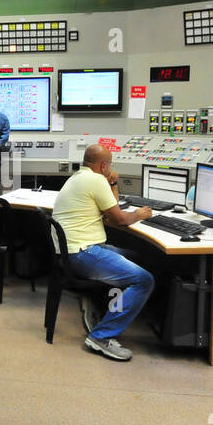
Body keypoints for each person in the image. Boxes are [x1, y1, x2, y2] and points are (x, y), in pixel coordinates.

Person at [52, 144, 155, 361]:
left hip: (72, 251)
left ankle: (108, 309)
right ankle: (101, 336)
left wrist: (114, 184)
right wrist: (139, 214)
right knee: (144, 280)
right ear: (105, 165)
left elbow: (111, 209)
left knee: (137, 257)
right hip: (83, 253)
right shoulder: (96, 180)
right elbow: (119, 219)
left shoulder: (79, 177)